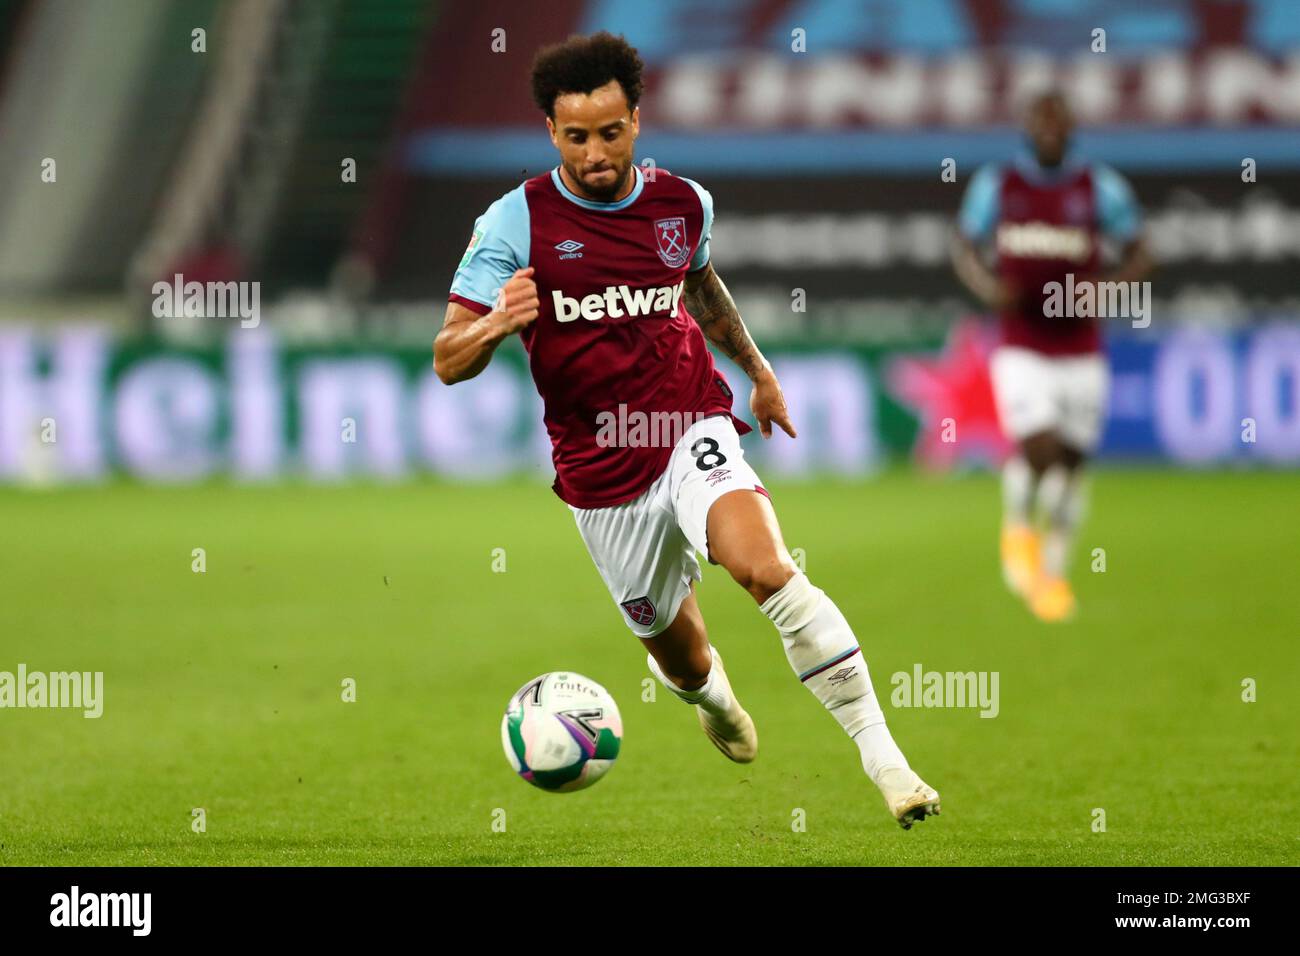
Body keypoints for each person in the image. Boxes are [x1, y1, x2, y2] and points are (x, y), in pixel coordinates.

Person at [436, 32, 939, 828]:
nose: (596, 153)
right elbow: (446, 359)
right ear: (551, 134)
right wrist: (497, 323)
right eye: (576, 137)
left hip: (687, 424)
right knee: (684, 658)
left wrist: (758, 371)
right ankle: (713, 698)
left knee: (768, 570)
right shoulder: (514, 224)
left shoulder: (682, 203)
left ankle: (888, 763)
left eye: (611, 132)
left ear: (636, 119)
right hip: (598, 475)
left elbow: (701, 286)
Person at [952, 90, 1153, 622]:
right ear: (1026, 127)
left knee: (1072, 463)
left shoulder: (1097, 187)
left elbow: (1141, 247)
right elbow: (964, 244)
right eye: (1039, 121)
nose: (1048, 130)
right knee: (1039, 446)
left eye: (1056, 120)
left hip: (1081, 346)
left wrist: (1111, 290)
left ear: (1070, 128)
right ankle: (1018, 524)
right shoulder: (999, 185)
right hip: (1022, 344)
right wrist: (988, 286)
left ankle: (1053, 574)